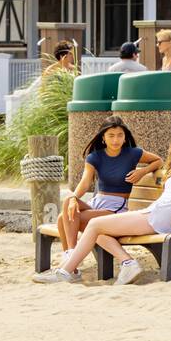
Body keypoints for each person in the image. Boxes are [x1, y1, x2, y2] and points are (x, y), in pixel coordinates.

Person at [35, 127, 171, 286]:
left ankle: (66, 272)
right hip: (158, 211)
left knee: (94, 224)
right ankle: (128, 263)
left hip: (164, 213)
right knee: (99, 231)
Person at [56, 116, 162, 275]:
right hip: (96, 203)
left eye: (120, 135)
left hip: (116, 209)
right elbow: (85, 182)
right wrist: (73, 199)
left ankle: (71, 265)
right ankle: (71, 255)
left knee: (63, 219)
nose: (115, 140)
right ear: (103, 138)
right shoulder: (95, 157)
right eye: (111, 136)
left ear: (125, 137)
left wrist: (142, 171)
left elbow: (158, 160)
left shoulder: (133, 153)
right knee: (68, 204)